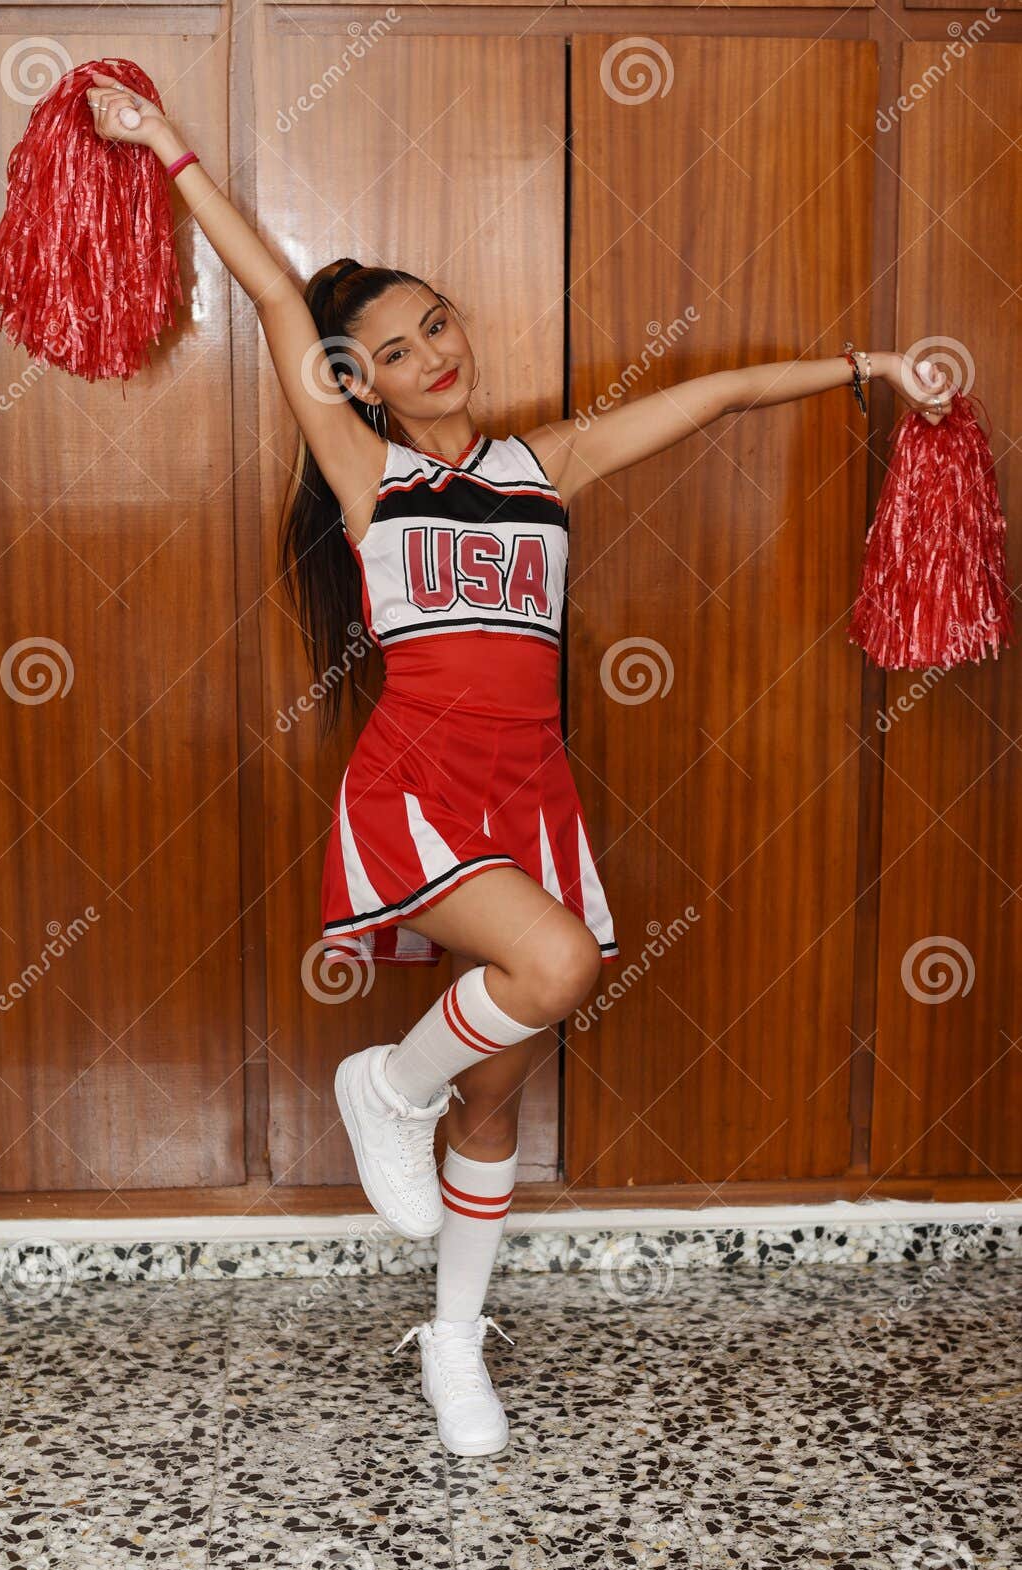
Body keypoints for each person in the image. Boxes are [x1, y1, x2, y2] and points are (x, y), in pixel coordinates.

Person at [85, 69, 955, 1459]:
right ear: (355, 377)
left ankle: (453, 1339)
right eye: (402, 345)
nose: (439, 351)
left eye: (441, 323)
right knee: (553, 969)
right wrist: (169, 150)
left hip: (531, 794)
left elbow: (717, 396)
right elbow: (267, 296)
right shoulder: (371, 477)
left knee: (497, 1088)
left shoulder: (548, 462)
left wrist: (871, 369)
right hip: (420, 785)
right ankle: (382, 1086)